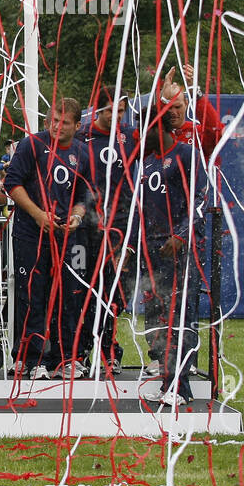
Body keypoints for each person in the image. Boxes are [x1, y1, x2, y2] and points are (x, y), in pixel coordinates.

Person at [3, 98, 93, 379]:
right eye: (53, 120)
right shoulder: (32, 145)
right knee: (32, 294)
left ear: (78, 125)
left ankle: (65, 358)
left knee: (69, 295)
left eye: (64, 122)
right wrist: (38, 214)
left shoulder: (83, 152)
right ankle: (31, 358)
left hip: (68, 238)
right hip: (31, 234)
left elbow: (85, 195)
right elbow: (12, 184)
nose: (57, 126)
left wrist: (76, 217)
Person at [136, 117, 204, 406]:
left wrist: (181, 234)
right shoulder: (148, 162)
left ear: (157, 128)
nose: (141, 136)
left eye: (145, 130)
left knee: (179, 318)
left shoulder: (186, 155)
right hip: (152, 252)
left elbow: (200, 199)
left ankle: (181, 386)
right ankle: (167, 382)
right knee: (160, 320)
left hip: (179, 251)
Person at [76, 86, 139, 370]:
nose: (116, 117)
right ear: (98, 109)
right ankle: (77, 352)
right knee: (79, 287)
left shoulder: (129, 138)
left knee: (112, 292)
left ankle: (109, 352)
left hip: (116, 228)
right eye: (111, 110)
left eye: (121, 112)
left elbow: (163, 132)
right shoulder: (81, 136)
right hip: (82, 230)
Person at [159, 73, 223, 161]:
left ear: (186, 103)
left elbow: (216, 132)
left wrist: (196, 94)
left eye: (178, 107)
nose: (173, 112)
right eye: (168, 107)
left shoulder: (197, 133)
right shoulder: (156, 135)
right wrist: (162, 101)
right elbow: (141, 138)